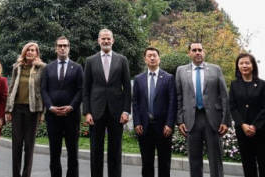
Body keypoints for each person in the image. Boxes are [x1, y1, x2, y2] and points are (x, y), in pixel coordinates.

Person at [176, 42, 231, 177]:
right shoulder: (181, 70)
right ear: (189, 53)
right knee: (194, 160)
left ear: (203, 52)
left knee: (215, 159)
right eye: (194, 50)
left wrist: (225, 121)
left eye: (200, 50)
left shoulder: (215, 69)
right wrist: (180, 120)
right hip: (191, 120)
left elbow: (224, 96)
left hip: (212, 120)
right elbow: (179, 96)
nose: (197, 52)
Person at [83, 28, 131, 177]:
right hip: (96, 111)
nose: (106, 41)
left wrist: (126, 111)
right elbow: (86, 88)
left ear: (113, 40)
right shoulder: (90, 61)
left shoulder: (122, 60)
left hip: (117, 112)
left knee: (115, 150)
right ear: (98, 41)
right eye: (103, 38)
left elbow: (127, 88)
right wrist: (87, 112)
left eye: (108, 38)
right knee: (95, 150)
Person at [41, 36, 84, 177]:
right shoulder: (48, 68)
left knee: (73, 153)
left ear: (69, 48)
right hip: (53, 117)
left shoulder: (77, 68)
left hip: (71, 116)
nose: (62, 48)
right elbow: (43, 90)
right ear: (56, 48)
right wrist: (50, 107)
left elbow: (81, 90)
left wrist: (71, 106)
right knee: (54, 153)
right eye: (60, 46)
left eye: (65, 45)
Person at [132, 47, 177, 177]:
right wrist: (137, 122)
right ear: (145, 59)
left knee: (164, 162)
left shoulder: (168, 78)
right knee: (146, 162)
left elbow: (172, 103)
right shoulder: (138, 79)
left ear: (159, 58)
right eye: (149, 56)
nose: (152, 58)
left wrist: (169, 124)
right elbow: (135, 103)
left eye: (154, 55)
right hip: (144, 127)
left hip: (163, 127)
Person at [229, 53, 265, 177]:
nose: (244, 66)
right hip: (242, 130)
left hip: (261, 130)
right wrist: (242, 124)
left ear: (253, 65)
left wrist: (254, 126)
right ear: (238, 66)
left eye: (247, 63)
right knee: (248, 163)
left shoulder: (262, 84)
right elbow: (232, 107)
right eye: (241, 63)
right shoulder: (234, 85)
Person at [6, 42, 46, 177]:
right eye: (28, 50)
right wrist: (8, 110)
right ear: (24, 52)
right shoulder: (17, 67)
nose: (30, 52)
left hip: (33, 110)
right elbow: (12, 87)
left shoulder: (42, 68)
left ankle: (26, 175)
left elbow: (43, 90)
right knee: (16, 145)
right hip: (17, 109)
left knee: (29, 146)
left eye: (33, 50)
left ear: (37, 53)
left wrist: (42, 112)